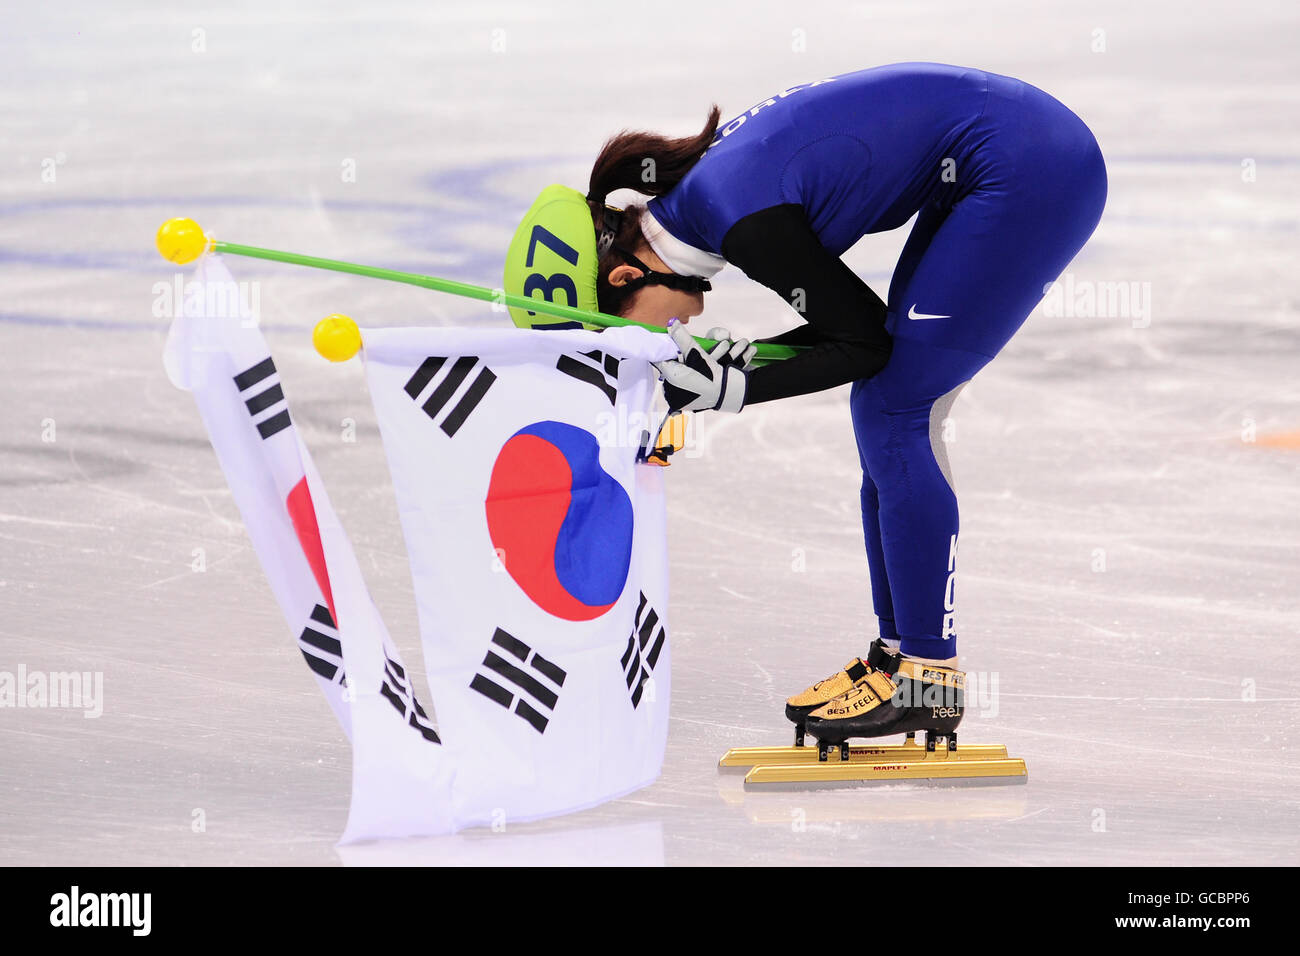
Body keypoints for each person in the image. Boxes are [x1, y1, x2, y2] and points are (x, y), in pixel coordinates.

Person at [506, 62, 1107, 751]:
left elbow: (862, 342)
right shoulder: (708, 204)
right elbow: (853, 332)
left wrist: (733, 385)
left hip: (1030, 164)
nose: (663, 345)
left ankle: (927, 680)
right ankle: (899, 657)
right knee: (886, 407)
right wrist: (730, 376)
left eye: (630, 339)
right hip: (1006, 149)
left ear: (624, 276)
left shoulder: (742, 221)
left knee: (897, 407)